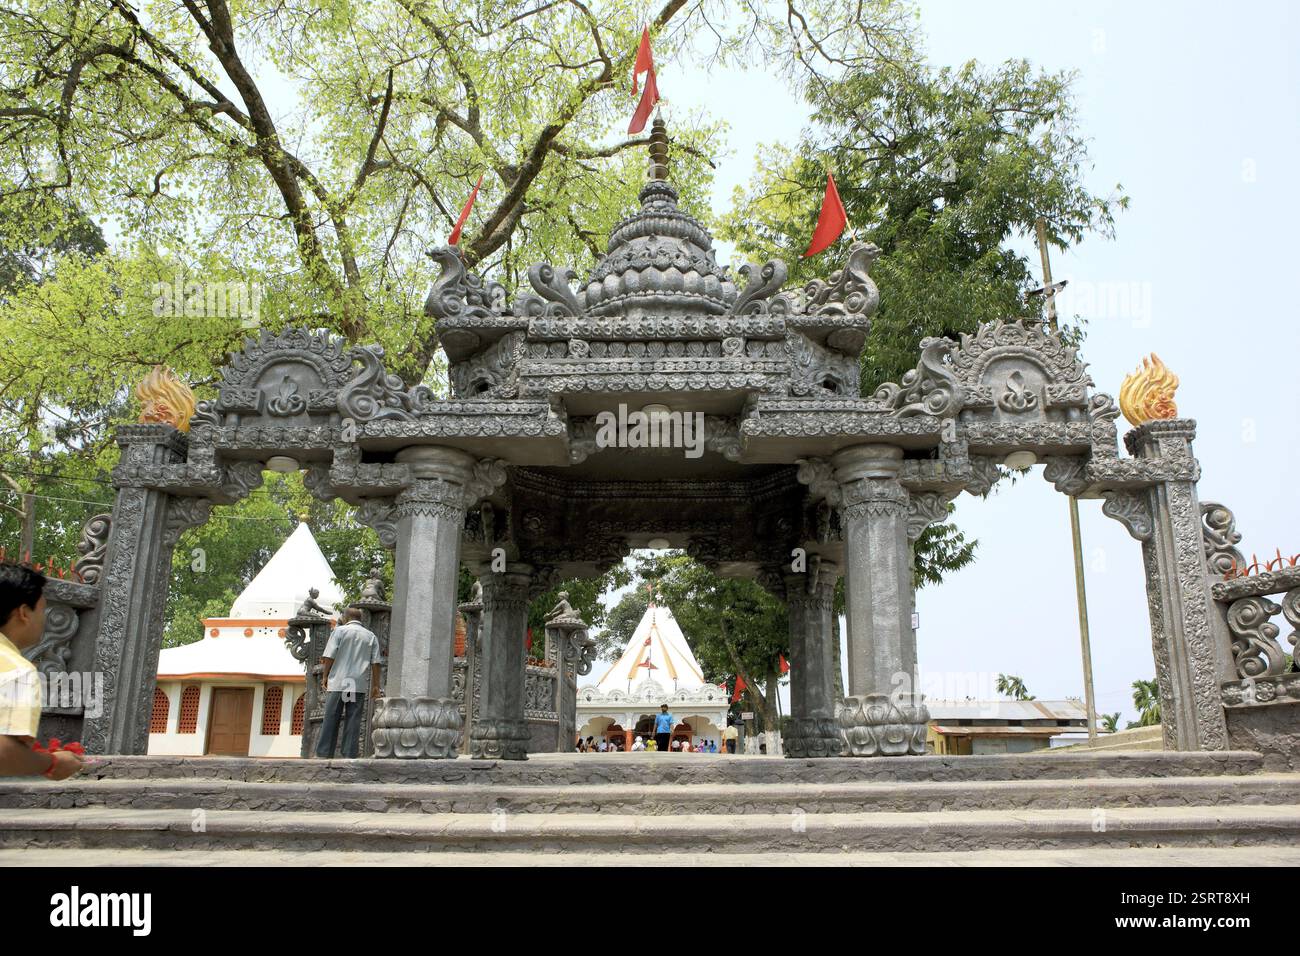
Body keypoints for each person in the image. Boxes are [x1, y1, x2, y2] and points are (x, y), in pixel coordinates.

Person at [0, 563, 83, 780]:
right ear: (24, 613)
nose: (44, 619)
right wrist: (52, 762)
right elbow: (3, 753)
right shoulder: (18, 671)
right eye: (42, 609)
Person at [314, 607, 382, 759]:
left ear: (345, 617)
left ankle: (325, 753)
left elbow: (330, 656)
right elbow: (376, 662)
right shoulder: (370, 636)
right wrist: (376, 685)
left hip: (339, 681)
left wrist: (325, 675)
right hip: (355, 684)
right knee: (353, 717)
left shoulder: (339, 631)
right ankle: (349, 754)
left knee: (332, 715)